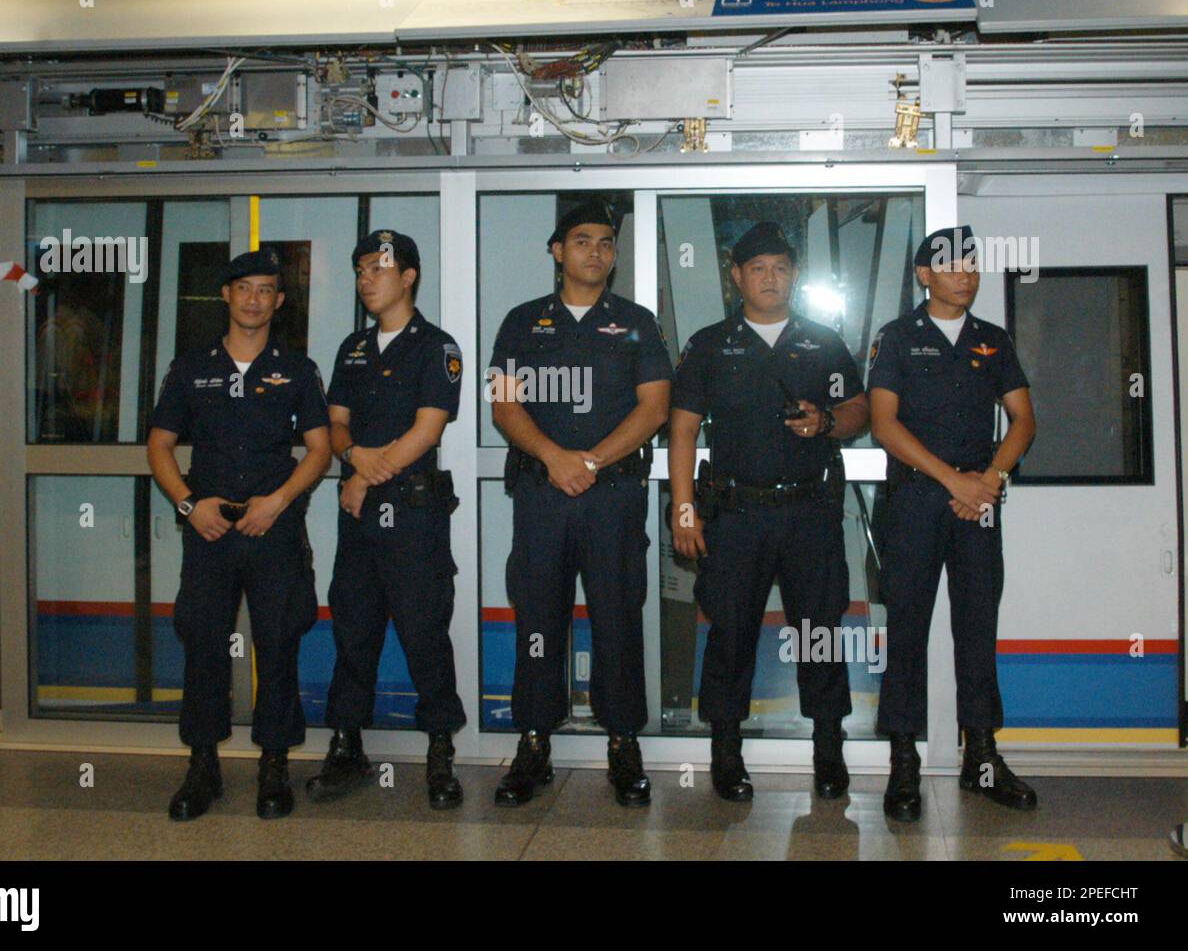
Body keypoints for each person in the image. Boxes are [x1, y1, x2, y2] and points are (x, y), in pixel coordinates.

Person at [669, 221, 869, 801]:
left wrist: (827, 421)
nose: (770, 278)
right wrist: (684, 509)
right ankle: (726, 752)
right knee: (730, 632)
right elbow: (682, 429)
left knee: (819, 632)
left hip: (809, 512)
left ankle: (828, 749)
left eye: (780, 267)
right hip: (735, 515)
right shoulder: (710, 344)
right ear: (736, 277)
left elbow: (858, 408)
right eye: (757, 269)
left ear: (795, 274)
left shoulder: (822, 341)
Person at [488, 199, 672, 807]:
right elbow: (504, 404)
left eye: (606, 243)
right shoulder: (519, 322)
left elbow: (654, 407)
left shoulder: (638, 322)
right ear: (557, 250)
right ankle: (534, 743)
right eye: (583, 241)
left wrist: (590, 460)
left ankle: (623, 744)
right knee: (538, 619)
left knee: (618, 617)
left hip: (613, 496)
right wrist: (554, 457)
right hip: (542, 495)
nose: (596, 252)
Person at [148, 247, 331, 821]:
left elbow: (320, 450)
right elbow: (159, 446)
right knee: (203, 645)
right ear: (225, 295)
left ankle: (273, 766)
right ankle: (203, 767)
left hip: (273, 529)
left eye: (266, 291)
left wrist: (279, 502)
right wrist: (186, 503)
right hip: (208, 531)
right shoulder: (190, 366)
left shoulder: (298, 370)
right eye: (243, 288)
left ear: (279, 301)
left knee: (279, 645)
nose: (254, 299)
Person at [867, 225, 1038, 822]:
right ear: (924, 275)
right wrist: (952, 480)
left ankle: (982, 761)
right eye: (952, 265)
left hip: (979, 502)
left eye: (972, 264)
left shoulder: (992, 340)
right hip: (916, 501)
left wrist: (987, 480)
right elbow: (884, 425)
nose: (965, 274)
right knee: (907, 630)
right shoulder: (897, 338)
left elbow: (1021, 420)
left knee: (977, 627)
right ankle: (904, 763)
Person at [305, 229, 468, 810]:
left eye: (378, 269)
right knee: (354, 630)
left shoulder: (437, 347)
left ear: (409, 276)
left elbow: (427, 431)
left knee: (424, 632)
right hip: (360, 515)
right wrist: (353, 457)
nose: (366, 280)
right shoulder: (352, 349)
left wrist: (361, 472)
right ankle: (347, 744)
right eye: (360, 271)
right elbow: (336, 423)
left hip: (416, 513)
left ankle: (441, 751)